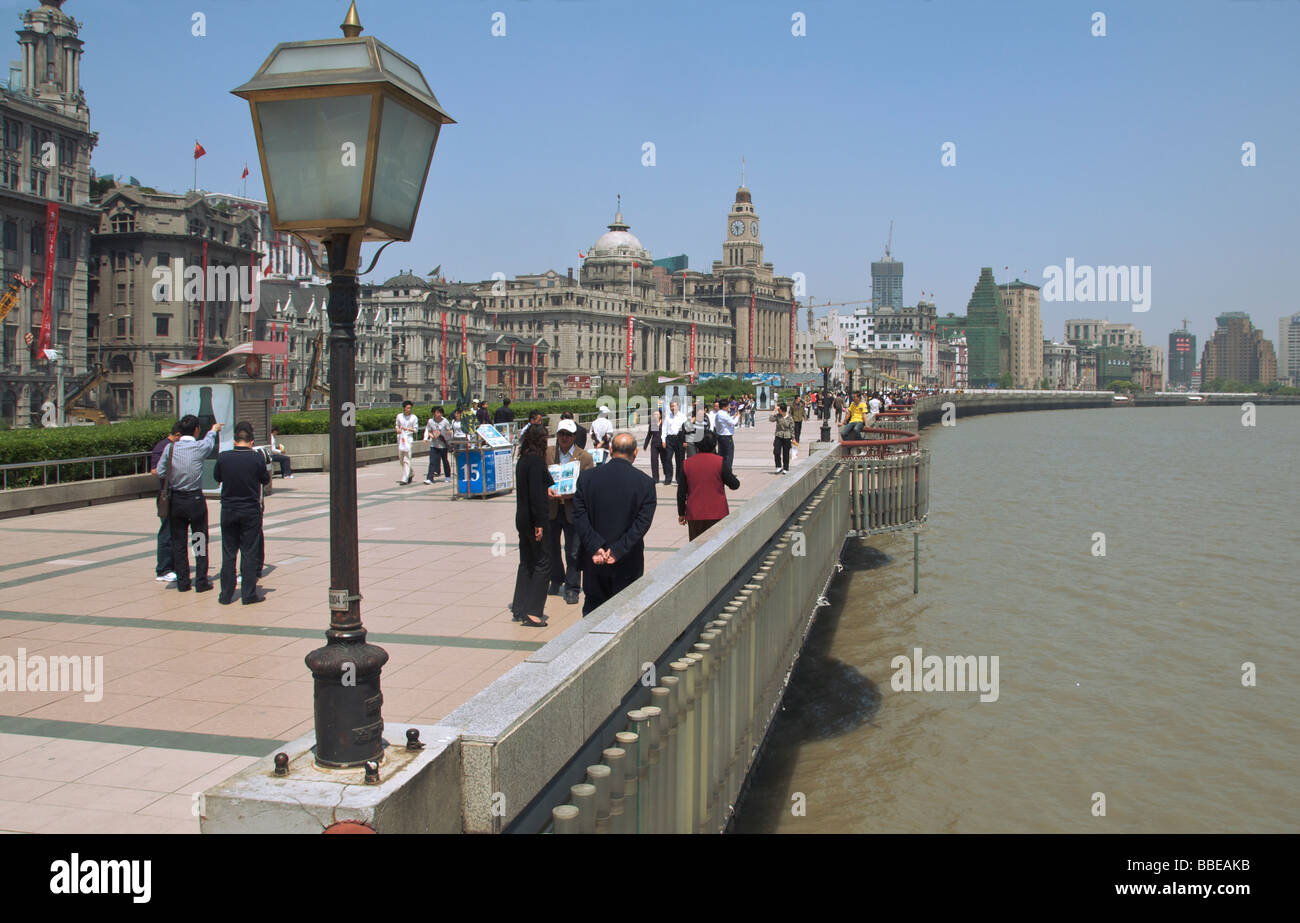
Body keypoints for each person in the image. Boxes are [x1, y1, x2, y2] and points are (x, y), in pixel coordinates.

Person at [572, 432, 656, 617]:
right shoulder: (645, 483)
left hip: (594, 561)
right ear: (635, 452)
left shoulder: (587, 479)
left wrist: (596, 546)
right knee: (626, 612)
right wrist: (617, 550)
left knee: (593, 609)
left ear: (610, 450)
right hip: (627, 562)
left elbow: (579, 516)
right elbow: (641, 524)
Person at [156, 414, 222, 592]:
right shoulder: (199, 447)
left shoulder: (170, 449)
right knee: (198, 539)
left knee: (178, 542)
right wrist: (213, 430)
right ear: (196, 430)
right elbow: (209, 441)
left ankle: (183, 582)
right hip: (195, 500)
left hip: (176, 500)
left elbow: (161, 471)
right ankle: (201, 581)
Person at [213, 420, 270, 605]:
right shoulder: (256, 458)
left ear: (235, 440)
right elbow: (264, 479)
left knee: (229, 552)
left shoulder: (223, 457)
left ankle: (226, 595)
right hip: (250, 509)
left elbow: (217, 477)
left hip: (228, 509)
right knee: (249, 552)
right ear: (251, 441)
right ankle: (248, 594)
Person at [546, 419, 594, 606]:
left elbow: (590, 485)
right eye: (561, 434)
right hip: (552, 508)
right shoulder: (548, 453)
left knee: (573, 550)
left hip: (572, 510)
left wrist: (577, 492)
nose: (564, 438)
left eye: (568, 435)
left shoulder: (585, 457)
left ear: (574, 437)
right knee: (551, 548)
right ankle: (556, 578)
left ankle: (572, 587)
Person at [511, 424, 553, 627]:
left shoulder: (523, 460)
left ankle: (519, 608)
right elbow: (537, 494)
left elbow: (543, 482)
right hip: (535, 519)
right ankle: (534, 612)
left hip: (522, 518)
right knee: (543, 562)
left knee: (526, 562)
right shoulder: (536, 461)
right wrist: (540, 524)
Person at [676, 430, 740, 541]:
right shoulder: (720, 462)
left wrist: (681, 513)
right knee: (717, 547)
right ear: (714, 444)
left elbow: (681, 492)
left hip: (695, 514)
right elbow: (734, 485)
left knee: (697, 548)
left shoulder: (687, 463)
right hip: (718, 513)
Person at [150, 423, 182, 582]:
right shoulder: (163, 447)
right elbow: (155, 470)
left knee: (175, 531)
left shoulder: (172, 446)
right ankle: (163, 569)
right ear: (176, 435)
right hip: (165, 496)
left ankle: (173, 565)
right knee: (166, 532)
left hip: (175, 495)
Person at [423, 405, 453, 484]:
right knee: (432, 461)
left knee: (445, 461)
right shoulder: (430, 421)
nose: (439, 414)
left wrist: (445, 435)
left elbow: (449, 431)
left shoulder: (445, 421)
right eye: (437, 412)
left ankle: (448, 476)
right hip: (434, 445)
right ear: (433, 413)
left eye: (440, 412)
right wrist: (431, 436)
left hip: (443, 445)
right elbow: (428, 430)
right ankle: (430, 478)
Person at [661, 400, 688, 485]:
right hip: (669, 439)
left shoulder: (683, 417)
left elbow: (687, 430)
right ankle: (668, 478)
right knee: (668, 459)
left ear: (678, 407)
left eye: (674, 406)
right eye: (671, 406)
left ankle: (679, 479)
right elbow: (664, 429)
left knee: (680, 460)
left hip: (680, 439)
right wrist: (663, 440)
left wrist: (685, 441)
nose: (673, 408)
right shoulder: (667, 417)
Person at [395, 400, 418, 484]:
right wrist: (397, 429)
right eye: (407, 408)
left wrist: (407, 429)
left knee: (407, 459)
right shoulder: (399, 416)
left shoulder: (414, 417)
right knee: (401, 460)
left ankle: (404, 479)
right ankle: (411, 473)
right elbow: (397, 425)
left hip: (408, 440)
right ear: (404, 408)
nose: (409, 409)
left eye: (410, 408)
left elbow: (415, 429)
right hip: (401, 439)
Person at [712, 399, 738, 471]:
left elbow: (727, 421)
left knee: (722, 455)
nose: (729, 407)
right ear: (724, 406)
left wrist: (734, 416)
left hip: (721, 436)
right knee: (728, 455)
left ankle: (722, 471)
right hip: (726, 437)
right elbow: (732, 423)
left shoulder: (719, 414)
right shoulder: (723, 414)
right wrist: (738, 417)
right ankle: (728, 472)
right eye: (728, 406)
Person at [770, 402, 795, 473]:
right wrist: (774, 411)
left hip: (787, 436)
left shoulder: (790, 418)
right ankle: (778, 466)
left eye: (779, 409)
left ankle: (786, 468)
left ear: (782, 410)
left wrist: (793, 438)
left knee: (786, 453)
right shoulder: (778, 416)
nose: (778, 410)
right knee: (776, 451)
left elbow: (792, 428)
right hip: (778, 435)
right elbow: (771, 419)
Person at [644, 409, 667, 483]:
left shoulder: (664, 423)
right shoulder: (652, 424)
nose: (655, 416)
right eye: (654, 414)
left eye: (657, 414)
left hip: (663, 445)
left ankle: (667, 476)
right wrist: (645, 445)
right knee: (654, 461)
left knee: (664, 461)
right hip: (654, 445)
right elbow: (649, 435)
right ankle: (655, 478)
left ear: (660, 415)